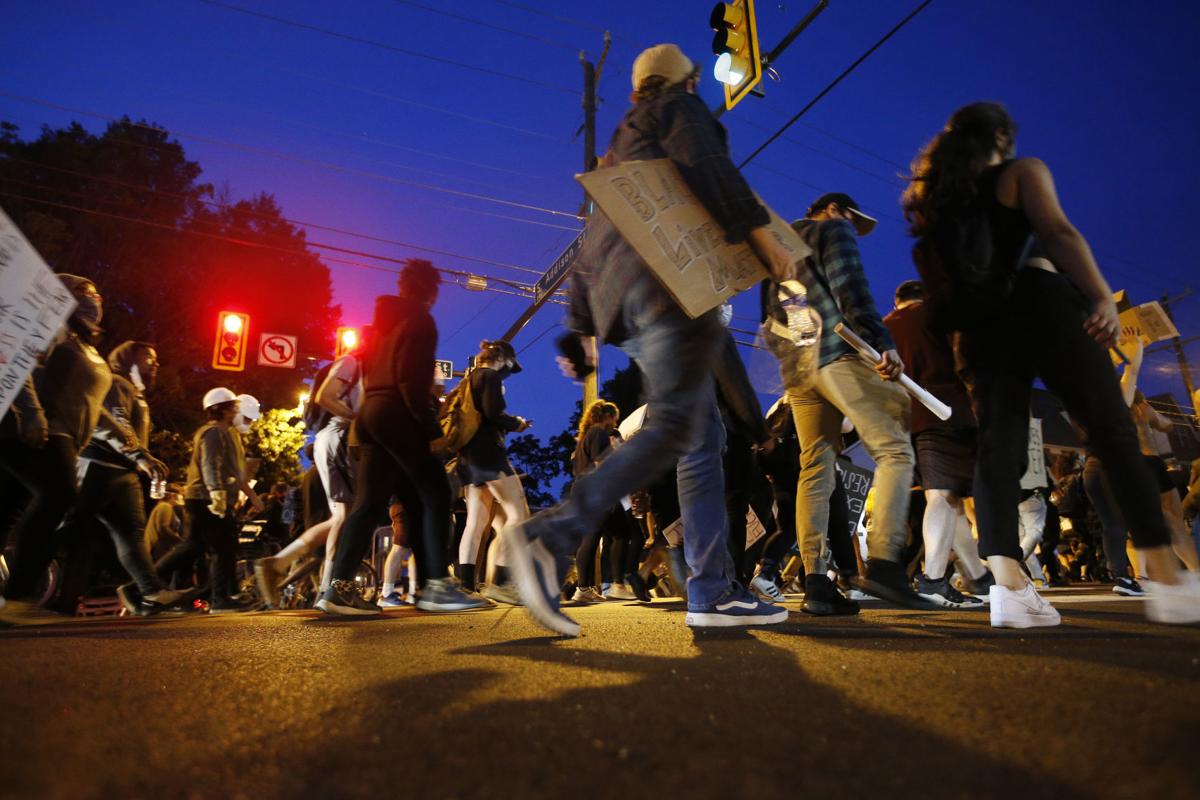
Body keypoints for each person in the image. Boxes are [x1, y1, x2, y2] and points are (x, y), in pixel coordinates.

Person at [504, 44, 791, 636]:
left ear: (636, 89)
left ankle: (713, 590)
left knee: (699, 436)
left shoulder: (618, 151)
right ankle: (548, 535)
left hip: (627, 297)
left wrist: (582, 326)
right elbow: (709, 165)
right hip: (668, 284)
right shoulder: (677, 113)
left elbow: (591, 237)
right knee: (679, 430)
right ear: (685, 83)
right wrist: (762, 239)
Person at [902, 100, 1199, 626]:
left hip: (976, 332)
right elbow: (1059, 233)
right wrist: (1102, 297)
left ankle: (1009, 588)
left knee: (999, 449)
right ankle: (1167, 574)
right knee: (1107, 427)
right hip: (1041, 302)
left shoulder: (937, 208)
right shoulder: (1020, 172)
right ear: (1000, 136)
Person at [763, 192, 920, 613]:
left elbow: (783, 315)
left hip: (799, 367)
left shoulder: (780, 247)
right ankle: (887, 564)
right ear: (834, 209)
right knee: (894, 450)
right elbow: (850, 287)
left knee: (815, 465)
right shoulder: (833, 229)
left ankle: (816, 582)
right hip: (838, 354)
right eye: (852, 217)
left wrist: (801, 354)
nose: (853, 226)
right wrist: (882, 343)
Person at [316, 258, 484, 615]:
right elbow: (410, 380)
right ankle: (437, 587)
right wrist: (431, 430)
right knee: (437, 492)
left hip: (371, 416)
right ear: (432, 291)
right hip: (398, 414)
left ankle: (339, 589)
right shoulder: (420, 320)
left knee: (372, 503)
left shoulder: (379, 325)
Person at [0, 275, 139, 615]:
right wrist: (32, 414)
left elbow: (89, 404)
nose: (98, 298)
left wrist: (119, 433)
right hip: (39, 431)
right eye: (89, 292)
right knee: (60, 494)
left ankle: (12, 600)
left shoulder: (88, 347)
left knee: (5, 513)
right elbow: (20, 365)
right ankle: (17, 597)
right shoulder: (54, 328)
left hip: (62, 436)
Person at [58, 341, 185, 615]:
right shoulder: (117, 383)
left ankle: (151, 592)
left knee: (131, 534)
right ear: (129, 360)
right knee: (67, 529)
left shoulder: (135, 392)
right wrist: (141, 455)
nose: (156, 364)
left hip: (122, 472)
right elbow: (117, 420)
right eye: (149, 358)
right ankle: (23, 590)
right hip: (98, 465)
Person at [883, 280, 986, 607]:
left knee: (947, 496)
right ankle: (934, 580)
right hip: (945, 410)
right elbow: (966, 358)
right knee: (943, 495)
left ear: (896, 301)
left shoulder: (883, 327)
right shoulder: (935, 315)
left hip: (902, 421)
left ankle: (979, 578)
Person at [256, 347, 363, 607]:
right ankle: (328, 588)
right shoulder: (352, 363)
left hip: (335, 440)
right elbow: (326, 397)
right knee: (344, 517)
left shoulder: (355, 366)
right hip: (340, 439)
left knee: (340, 517)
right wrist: (360, 421)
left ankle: (297, 571)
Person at [155, 388, 262, 613]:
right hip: (205, 498)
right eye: (232, 407)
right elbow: (210, 463)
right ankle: (220, 599)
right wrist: (217, 494)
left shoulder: (221, 431)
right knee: (219, 549)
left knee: (201, 547)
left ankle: (143, 585)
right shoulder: (214, 432)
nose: (236, 411)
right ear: (222, 410)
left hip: (204, 497)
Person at [454, 339, 531, 604]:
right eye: (510, 364)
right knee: (518, 513)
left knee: (475, 522)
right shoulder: (490, 377)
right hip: (489, 455)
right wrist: (516, 423)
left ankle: (466, 586)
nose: (510, 369)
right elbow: (493, 413)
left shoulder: (469, 378)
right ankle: (501, 582)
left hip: (468, 457)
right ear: (503, 359)